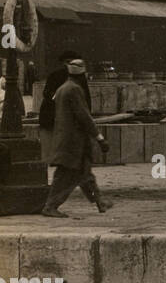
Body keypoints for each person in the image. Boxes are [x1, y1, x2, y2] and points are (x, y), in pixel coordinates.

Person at [41, 59, 112, 218]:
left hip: (65, 139)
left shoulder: (62, 88)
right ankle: (50, 206)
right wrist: (99, 138)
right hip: (73, 142)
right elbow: (84, 116)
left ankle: (100, 201)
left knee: (84, 172)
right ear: (82, 75)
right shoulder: (74, 90)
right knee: (66, 175)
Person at [39, 51, 89, 160]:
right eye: (67, 62)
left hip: (60, 116)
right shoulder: (58, 76)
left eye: (71, 62)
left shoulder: (77, 78)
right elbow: (48, 94)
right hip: (55, 115)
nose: (69, 65)